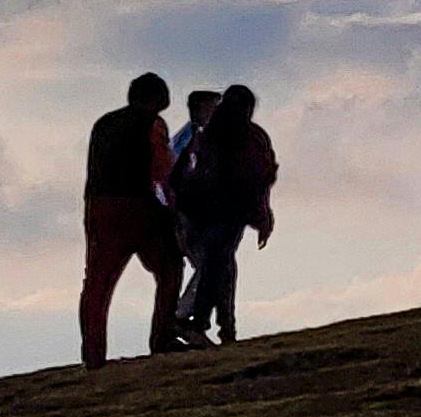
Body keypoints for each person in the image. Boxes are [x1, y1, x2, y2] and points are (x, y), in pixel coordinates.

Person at [79, 72, 183, 365]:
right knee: (169, 268)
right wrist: (173, 208)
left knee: (97, 283)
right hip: (139, 206)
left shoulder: (103, 124)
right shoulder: (153, 124)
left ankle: (93, 354)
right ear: (158, 100)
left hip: (99, 206)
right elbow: (162, 171)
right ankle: (162, 338)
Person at [175, 82, 277, 345]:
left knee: (217, 267)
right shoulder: (249, 136)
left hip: (208, 212)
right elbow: (261, 178)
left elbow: (188, 176)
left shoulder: (208, 136)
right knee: (219, 267)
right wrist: (261, 214)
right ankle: (211, 323)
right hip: (228, 212)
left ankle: (211, 323)